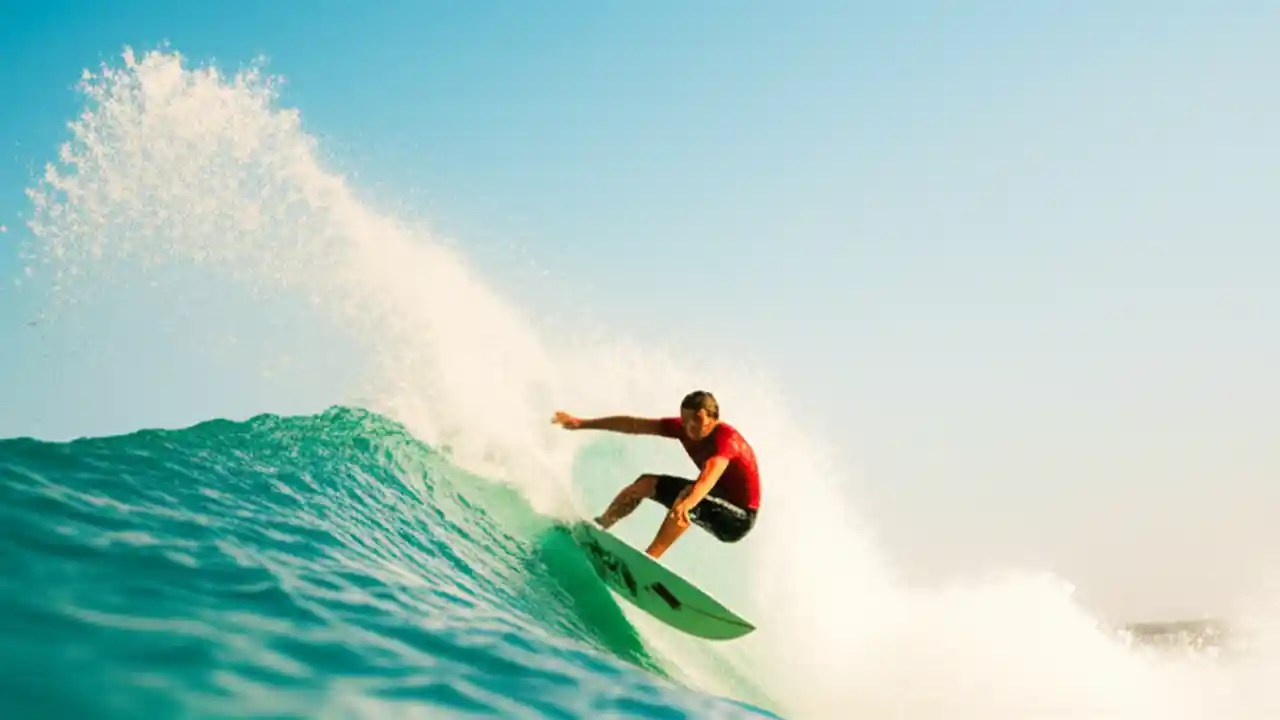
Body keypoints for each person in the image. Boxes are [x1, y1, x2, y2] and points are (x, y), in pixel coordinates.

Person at [550, 390, 761, 558]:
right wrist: (581, 423)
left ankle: (649, 559)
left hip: (738, 518)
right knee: (645, 484)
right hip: (712, 497)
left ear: (713, 419)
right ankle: (599, 526)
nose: (689, 427)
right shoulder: (683, 428)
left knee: (688, 495)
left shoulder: (727, 440)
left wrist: (688, 504)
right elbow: (633, 425)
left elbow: (709, 476)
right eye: (685, 420)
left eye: (697, 420)